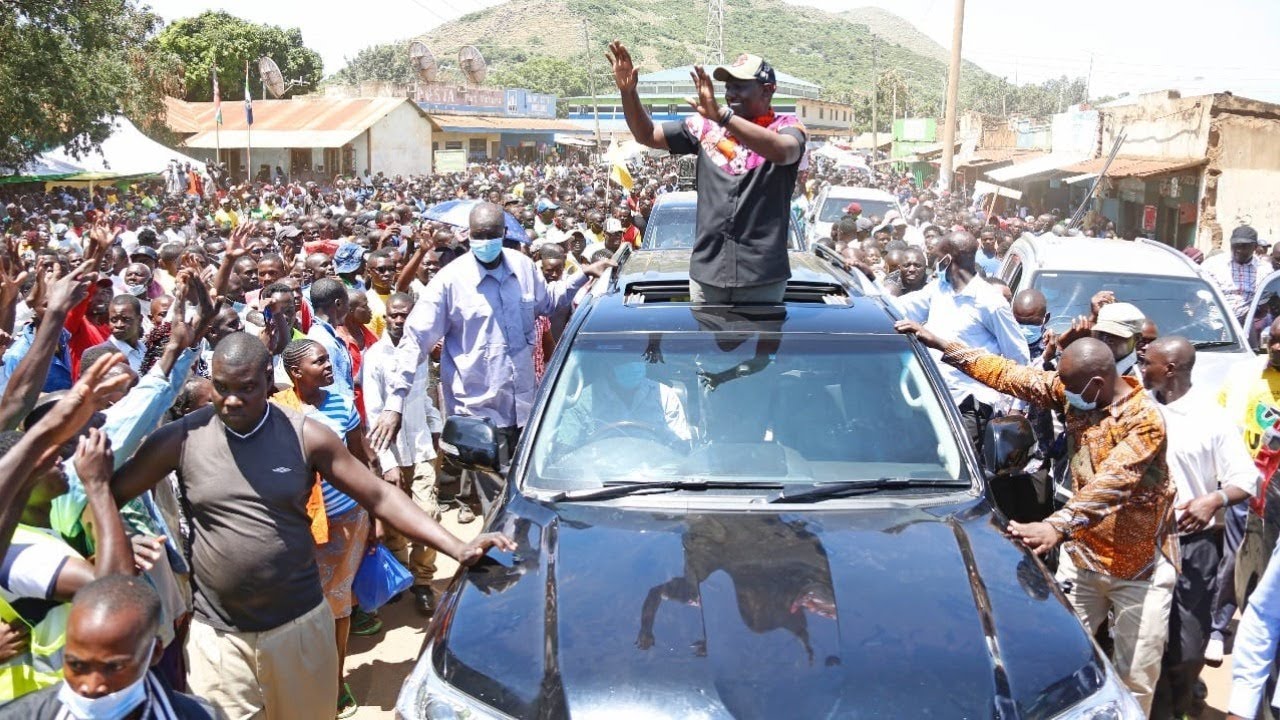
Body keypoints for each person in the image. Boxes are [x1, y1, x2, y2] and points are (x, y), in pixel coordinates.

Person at [109, 333, 515, 720]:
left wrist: (457, 548)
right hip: (218, 639)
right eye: (220, 387)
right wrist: (130, 538)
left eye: (245, 388)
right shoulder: (182, 437)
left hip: (298, 630)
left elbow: (378, 495)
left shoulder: (306, 435)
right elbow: (107, 494)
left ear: (269, 379)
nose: (231, 400)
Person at [896, 323, 1176, 713]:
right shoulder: (1073, 391)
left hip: (1139, 569)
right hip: (1083, 562)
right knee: (1061, 668)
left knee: (1134, 679)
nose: (1064, 393)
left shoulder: (1144, 420)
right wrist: (944, 343)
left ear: (1096, 384)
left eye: (1072, 388)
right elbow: (1010, 375)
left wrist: (1057, 525)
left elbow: (1114, 482)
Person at [369, 203, 611, 514]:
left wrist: (583, 276)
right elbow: (415, 342)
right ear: (468, 236)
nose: (485, 241)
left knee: (523, 498)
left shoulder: (523, 268)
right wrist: (394, 403)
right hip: (477, 416)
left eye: (491, 235)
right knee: (501, 508)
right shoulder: (449, 282)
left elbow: (547, 301)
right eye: (478, 236)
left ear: (503, 235)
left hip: (524, 412)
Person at [608, 42, 806, 303]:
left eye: (740, 85)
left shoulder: (786, 128)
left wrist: (723, 117)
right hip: (708, 274)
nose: (731, 93)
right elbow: (646, 135)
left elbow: (784, 152)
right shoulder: (705, 127)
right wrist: (629, 93)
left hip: (763, 276)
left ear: (768, 90)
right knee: (707, 345)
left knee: (764, 342)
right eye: (728, 86)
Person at [1141, 336, 1258, 719]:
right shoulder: (1137, 409)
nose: (1142, 370)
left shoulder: (1211, 418)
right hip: (1141, 546)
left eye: (1149, 364)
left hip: (1193, 547)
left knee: (1188, 648)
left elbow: (1246, 478)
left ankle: (1185, 693)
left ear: (1170, 369)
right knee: (1146, 646)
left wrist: (1213, 500)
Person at [275, 338, 371, 718]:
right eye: (319, 362)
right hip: (299, 525)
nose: (328, 366)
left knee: (337, 607)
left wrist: (374, 515)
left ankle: (334, 682)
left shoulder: (342, 404)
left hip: (345, 520)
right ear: (296, 373)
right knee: (303, 610)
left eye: (328, 360)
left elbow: (361, 461)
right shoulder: (279, 413)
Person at [0, 574, 220, 719]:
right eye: (77, 665)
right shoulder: (22, 715)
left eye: (113, 667)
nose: (92, 686)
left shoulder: (199, 716)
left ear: (153, 653)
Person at [893, 230, 1029, 450]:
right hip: (934, 398)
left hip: (970, 407)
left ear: (947, 260)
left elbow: (1019, 356)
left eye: (938, 257)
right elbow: (900, 308)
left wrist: (1017, 409)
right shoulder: (938, 290)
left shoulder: (990, 302)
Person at [362, 293, 444, 618]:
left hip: (422, 445)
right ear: (386, 316)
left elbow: (423, 396)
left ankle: (423, 581)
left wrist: (436, 427)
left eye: (404, 315)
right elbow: (372, 412)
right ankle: (399, 574)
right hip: (391, 451)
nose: (399, 321)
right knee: (396, 520)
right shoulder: (374, 357)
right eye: (394, 315)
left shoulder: (420, 353)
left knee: (428, 513)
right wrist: (387, 462)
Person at [1213, 315, 1280, 665]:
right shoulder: (1244, 374)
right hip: (1246, 481)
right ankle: (1218, 628)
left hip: (1278, 492)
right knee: (1234, 555)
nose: (1276, 347)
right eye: (1273, 339)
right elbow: (1220, 420)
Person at [1204, 225, 1265, 323]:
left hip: (1245, 325)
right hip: (1212, 322)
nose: (1238, 250)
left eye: (1244, 246)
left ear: (1255, 247)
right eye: (1235, 245)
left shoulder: (1264, 270)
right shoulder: (1212, 265)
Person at [307, 278, 355, 401]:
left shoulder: (320, 335)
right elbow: (338, 391)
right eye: (347, 303)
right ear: (338, 303)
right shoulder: (325, 342)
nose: (348, 309)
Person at [103, 295, 146, 373]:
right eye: (114, 320)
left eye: (126, 319)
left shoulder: (146, 350)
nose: (119, 325)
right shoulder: (102, 355)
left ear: (139, 320)